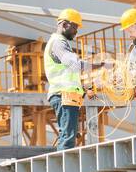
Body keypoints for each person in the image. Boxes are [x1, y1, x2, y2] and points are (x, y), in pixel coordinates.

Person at [43, 8, 102, 151]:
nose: (76, 31)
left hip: (67, 94)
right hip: (63, 94)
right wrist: (99, 65)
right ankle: (63, 169)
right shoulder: (58, 43)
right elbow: (74, 65)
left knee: (68, 133)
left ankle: (63, 166)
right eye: (74, 27)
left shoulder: (60, 42)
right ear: (64, 24)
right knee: (68, 135)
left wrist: (85, 89)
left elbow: (69, 71)